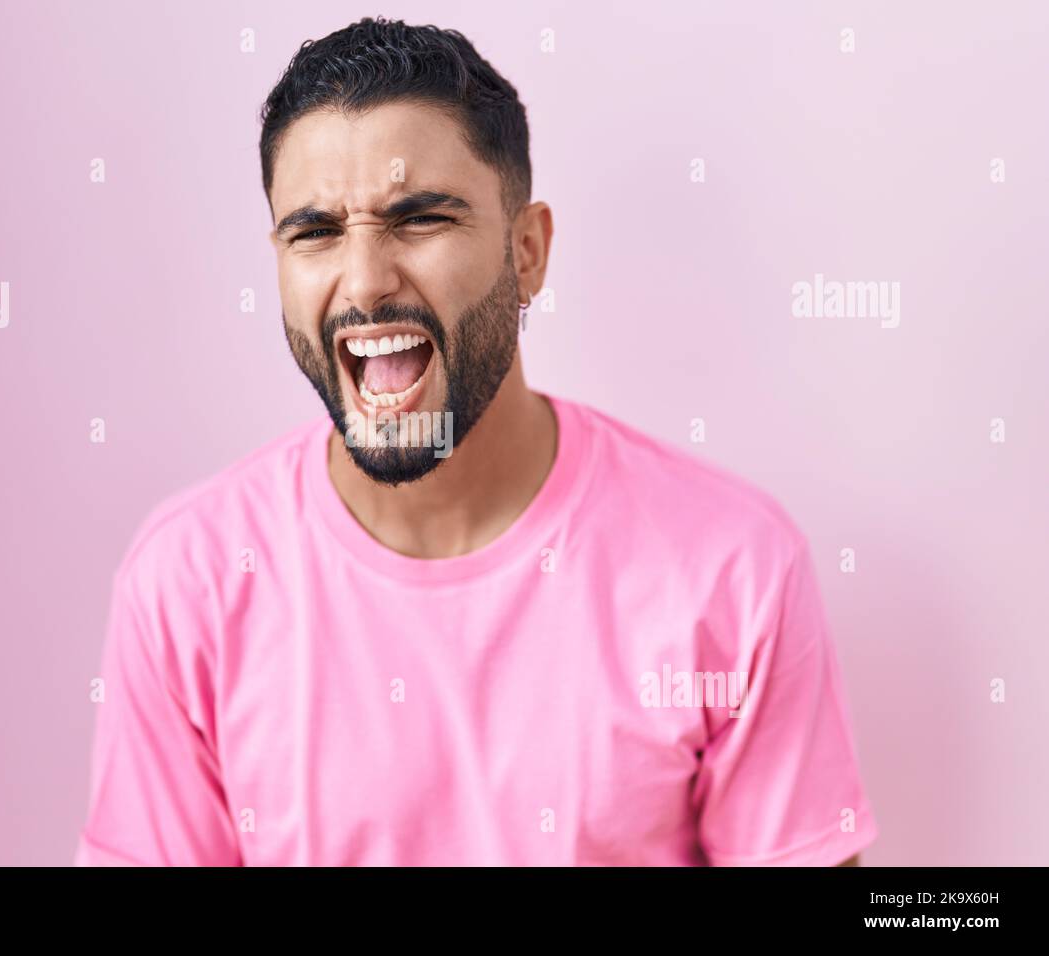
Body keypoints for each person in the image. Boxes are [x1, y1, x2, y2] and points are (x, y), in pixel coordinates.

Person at [75, 16, 877, 866]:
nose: (366, 283)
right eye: (313, 232)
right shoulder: (187, 583)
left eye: (420, 219)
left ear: (526, 252)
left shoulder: (732, 567)